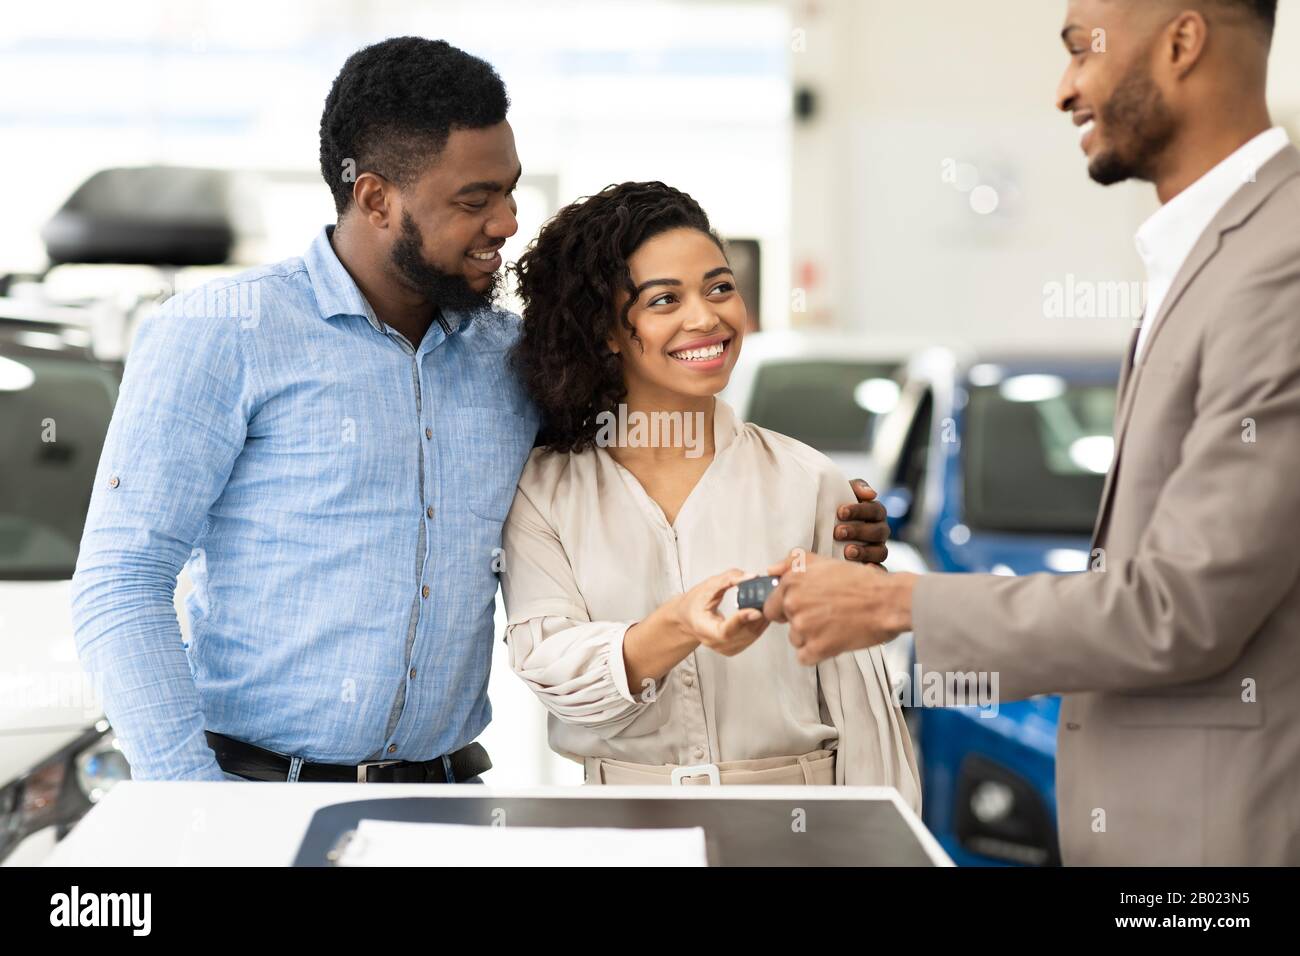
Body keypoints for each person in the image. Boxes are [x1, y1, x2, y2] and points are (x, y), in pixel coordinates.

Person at [70, 38, 893, 784]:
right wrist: (190, 799)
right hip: (253, 793)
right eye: (474, 200)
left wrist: (828, 519)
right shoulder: (225, 334)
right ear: (376, 197)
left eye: (509, 191)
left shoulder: (513, 358)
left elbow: (646, 469)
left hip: (447, 797)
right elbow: (121, 582)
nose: (505, 222)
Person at [764, 0, 1300, 864]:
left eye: (1081, 52)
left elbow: (1181, 609)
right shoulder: (1208, 257)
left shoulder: (1281, 265)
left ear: (1182, 41)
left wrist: (894, 602)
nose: (1064, 91)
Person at [499, 182, 920, 798]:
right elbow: (553, 667)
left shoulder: (810, 482)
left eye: (719, 287)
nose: (707, 317)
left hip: (795, 821)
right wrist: (680, 625)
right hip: (623, 823)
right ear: (607, 331)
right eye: (664, 299)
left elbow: (863, 711)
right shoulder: (544, 491)